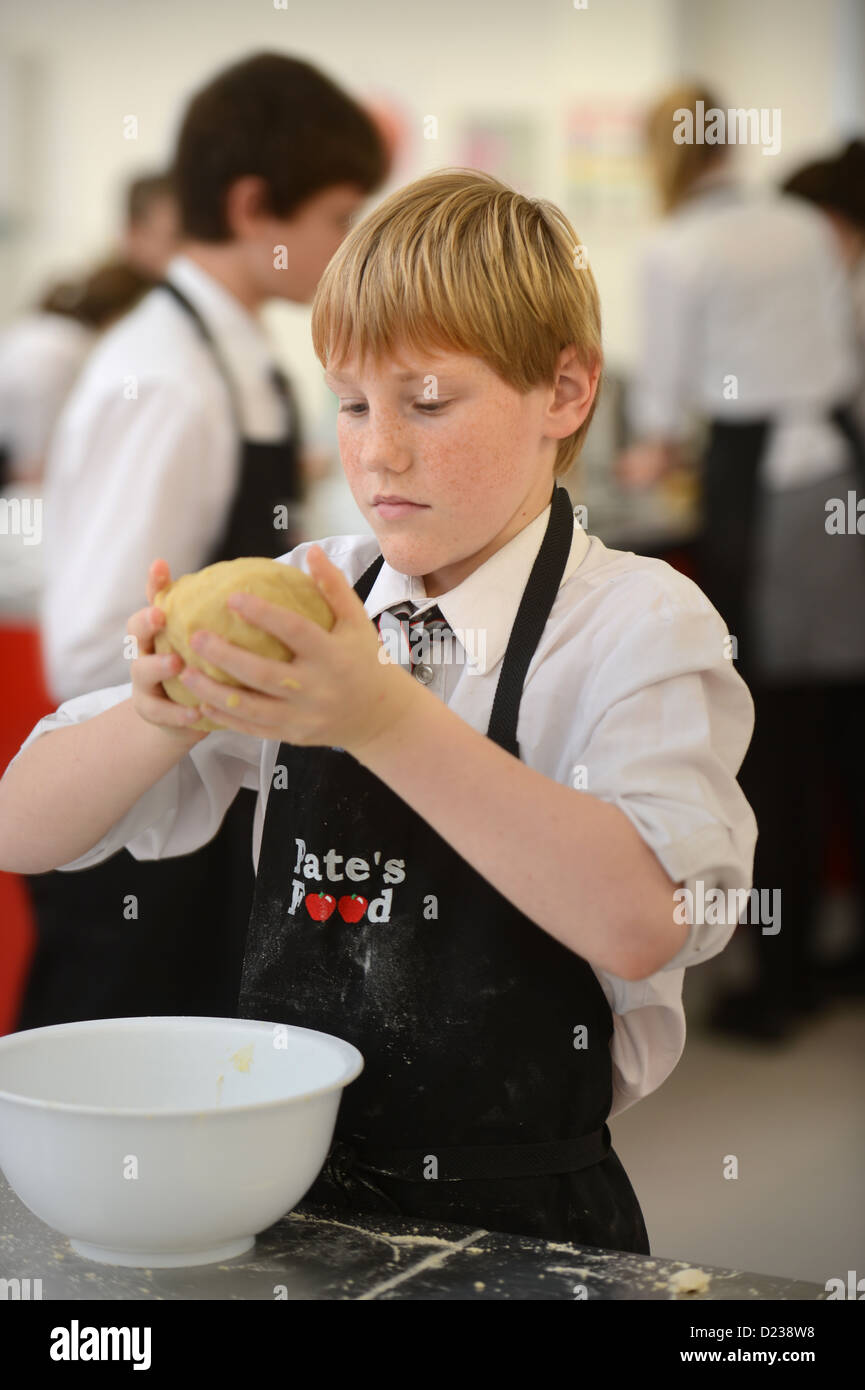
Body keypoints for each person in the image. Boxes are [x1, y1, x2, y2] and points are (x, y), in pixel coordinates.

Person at [0, 168, 757, 1251]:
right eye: (350, 403)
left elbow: (645, 922)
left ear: (565, 391)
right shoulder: (309, 594)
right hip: (284, 1201)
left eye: (428, 401)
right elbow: (19, 826)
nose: (377, 449)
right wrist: (158, 716)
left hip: (524, 1220)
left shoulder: (641, 623)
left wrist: (379, 717)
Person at [14, 52, 387, 1031]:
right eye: (339, 216)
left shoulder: (237, 352)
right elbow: (89, 649)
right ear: (257, 206)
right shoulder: (168, 377)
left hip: (204, 803)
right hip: (137, 830)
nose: (348, 244)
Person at [617, 84, 865, 1040]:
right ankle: (828, 960)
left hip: (767, 499)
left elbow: (659, 416)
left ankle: (783, 982)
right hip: (840, 472)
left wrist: (643, 458)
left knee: (776, 741)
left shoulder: (676, 247)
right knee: (844, 728)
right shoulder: (803, 224)